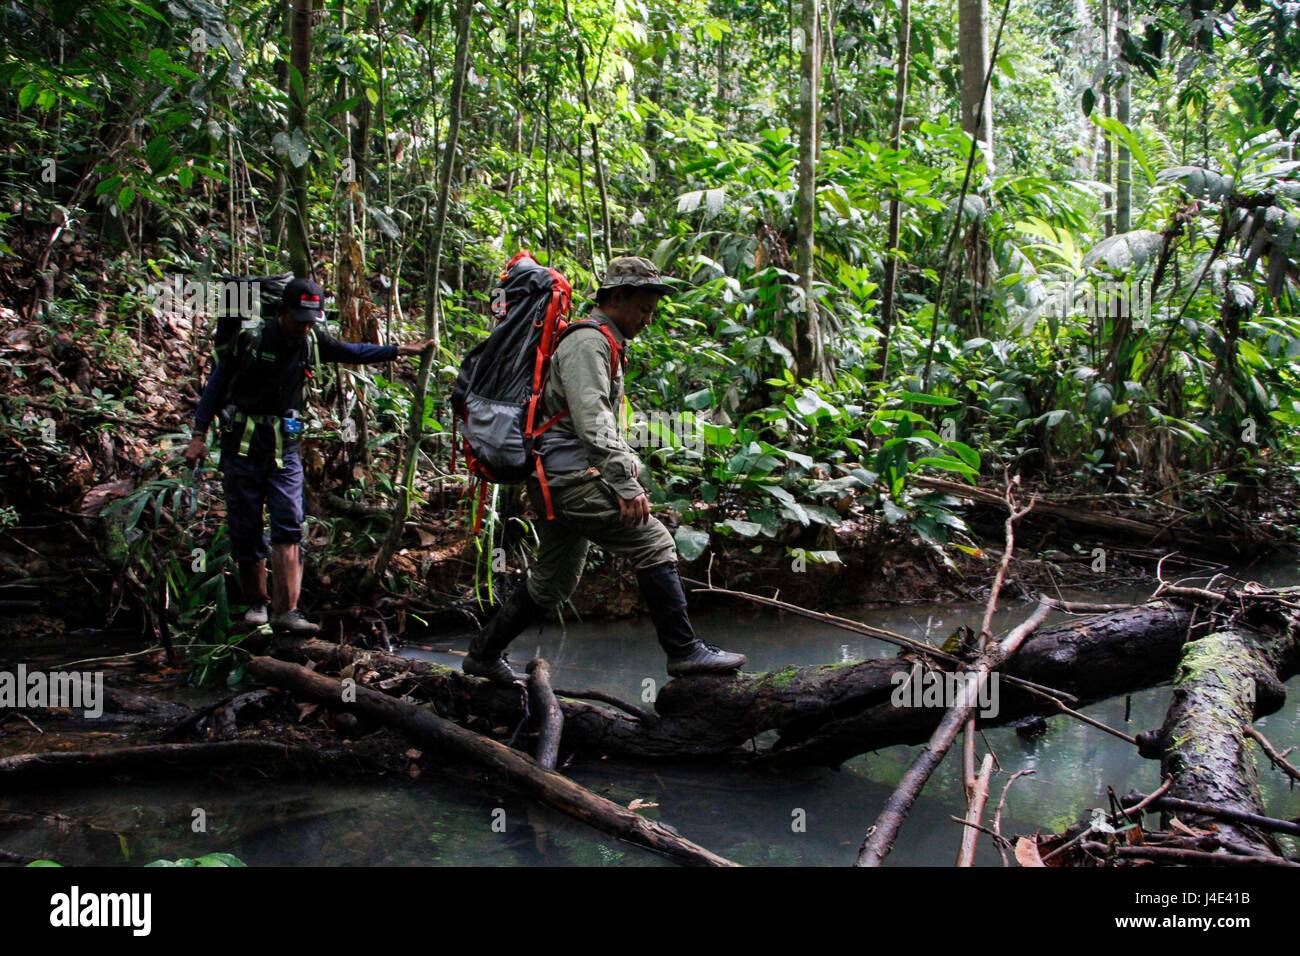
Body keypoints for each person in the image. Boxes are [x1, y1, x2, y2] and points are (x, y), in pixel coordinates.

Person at [463, 256, 747, 683]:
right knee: (654, 543)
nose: (648, 320)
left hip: (559, 479)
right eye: (643, 309)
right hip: (570, 479)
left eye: (652, 311)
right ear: (615, 298)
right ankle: (685, 653)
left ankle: (483, 656)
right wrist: (625, 483)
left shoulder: (602, 342)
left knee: (551, 584)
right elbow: (592, 419)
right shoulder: (588, 343)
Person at [183, 277, 432, 634]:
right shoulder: (251, 341)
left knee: (288, 523)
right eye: (298, 319)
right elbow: (216, 386)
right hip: (243, 445)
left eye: (309, 320)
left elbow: (351, 352)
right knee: (246, 525)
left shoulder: (311, 340)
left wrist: (400, 350)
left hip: (285, 447)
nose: (304, 326)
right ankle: (257, 605)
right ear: (282, 313)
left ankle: (289, 612)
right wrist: (198, 435)